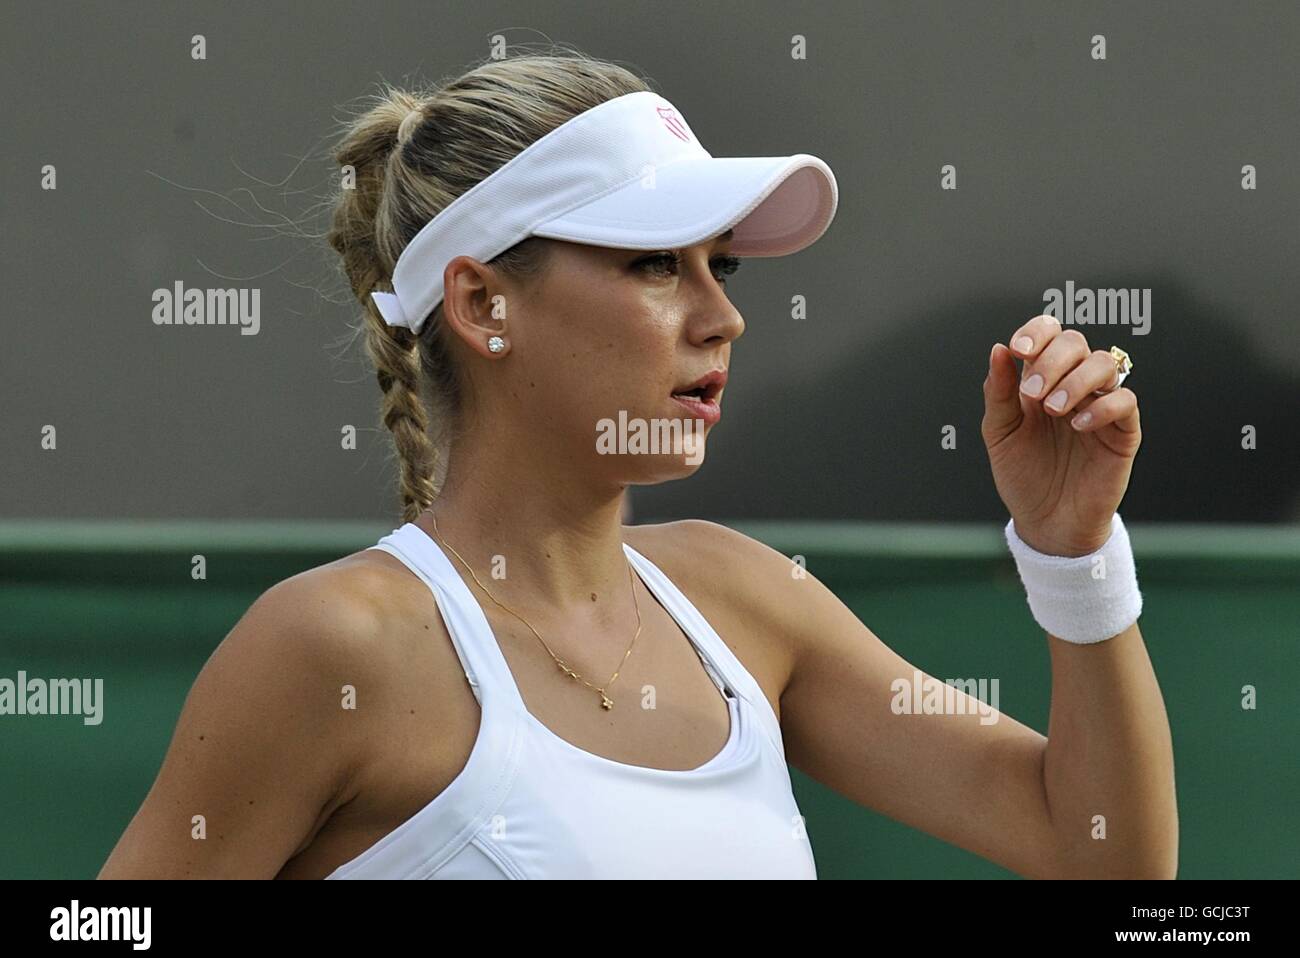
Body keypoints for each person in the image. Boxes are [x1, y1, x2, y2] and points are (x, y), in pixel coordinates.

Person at [99, 48, 1174, 880]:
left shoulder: (745, 596)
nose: (722, 318)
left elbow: (1101, 855)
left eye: (725, 266)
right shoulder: (334, 645)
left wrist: (1069, 549)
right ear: (483, 303)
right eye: (655, 263)